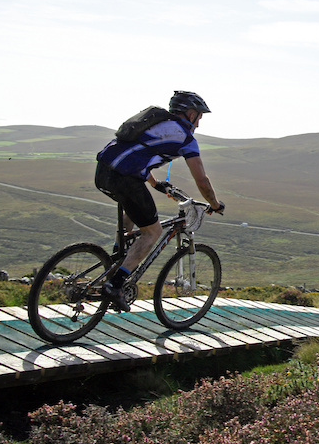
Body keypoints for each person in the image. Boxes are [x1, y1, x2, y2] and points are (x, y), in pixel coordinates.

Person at [95, 91, 225, 311]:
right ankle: (115, 285)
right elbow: (202, 180)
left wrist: (155, 184)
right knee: (152, 232)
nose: (200, 122)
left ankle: (117, 258)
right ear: (191, 113)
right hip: (125, 178)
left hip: (103, 171)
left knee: (132, 212)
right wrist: (214, 204)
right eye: (200, 116)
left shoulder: (155, 125)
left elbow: (137, 155)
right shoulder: (185, 137)